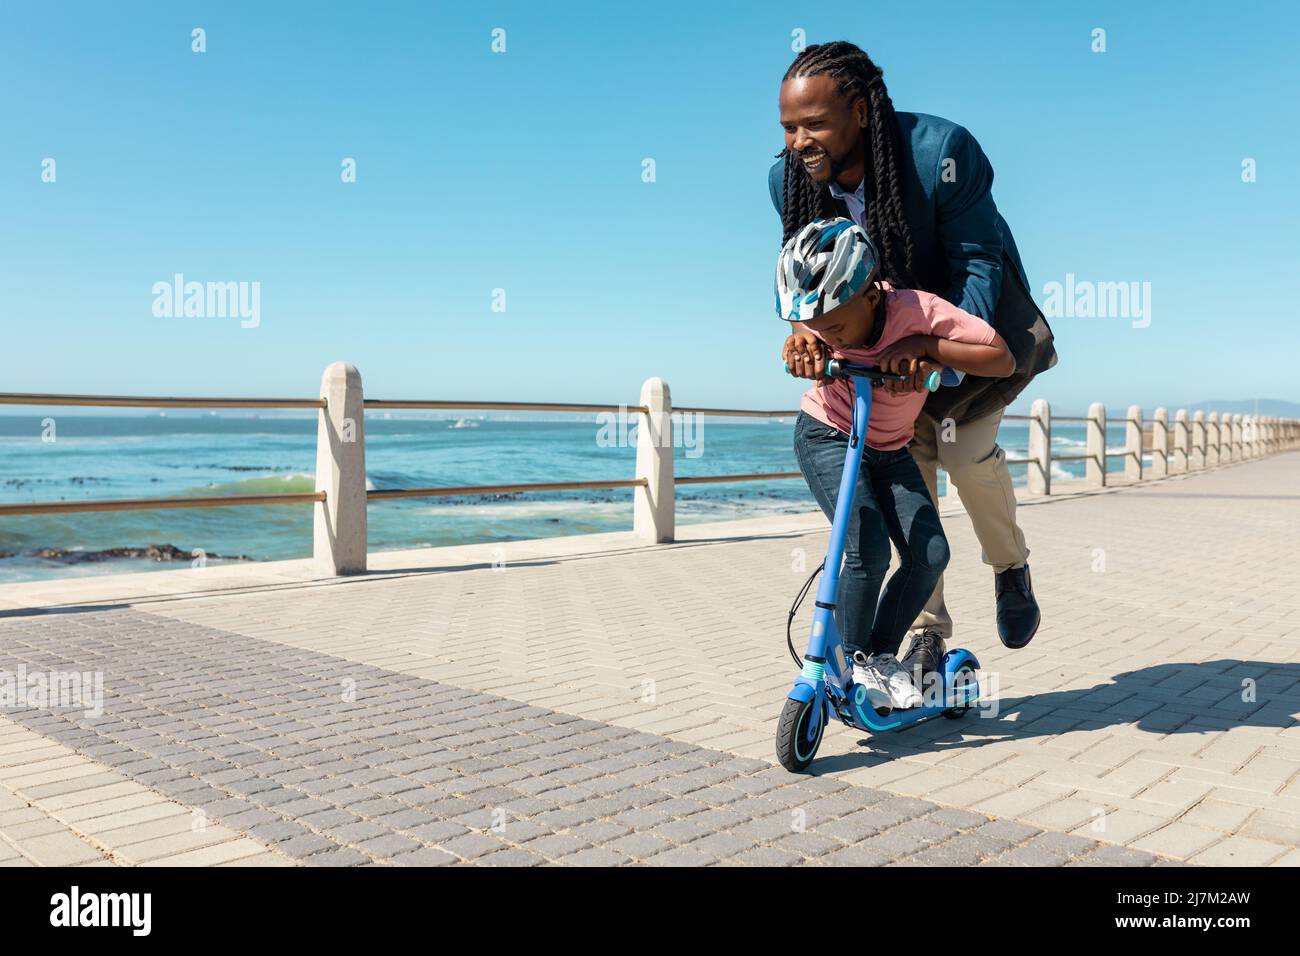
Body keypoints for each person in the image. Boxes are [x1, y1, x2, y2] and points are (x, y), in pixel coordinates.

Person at [770, 41, 1056, 685]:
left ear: (863, 111)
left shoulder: (941, 153)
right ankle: (925, 638)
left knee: (963, 452)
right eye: (789, 127)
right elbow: (802, 274)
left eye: (814, 124)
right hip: (869, 358)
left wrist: (937, 353)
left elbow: (978, 260)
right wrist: (804, 333)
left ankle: (1010, 567)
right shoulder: (787, 178)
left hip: (954, 332)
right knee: (910, 484)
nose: (799, 141)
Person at [778, 217, 1014, 708]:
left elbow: (1000, 358)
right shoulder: (822, 316)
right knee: (866, 548)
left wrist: (925, 348)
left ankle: (877, 659)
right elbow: (808, 326)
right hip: (829, 433)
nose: (828, 336)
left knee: (930, 555)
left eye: (836, 325)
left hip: (889, 447)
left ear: (870, 296)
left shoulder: (919, 311)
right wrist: (799, 341)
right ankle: (851, 661)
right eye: (815, 325)